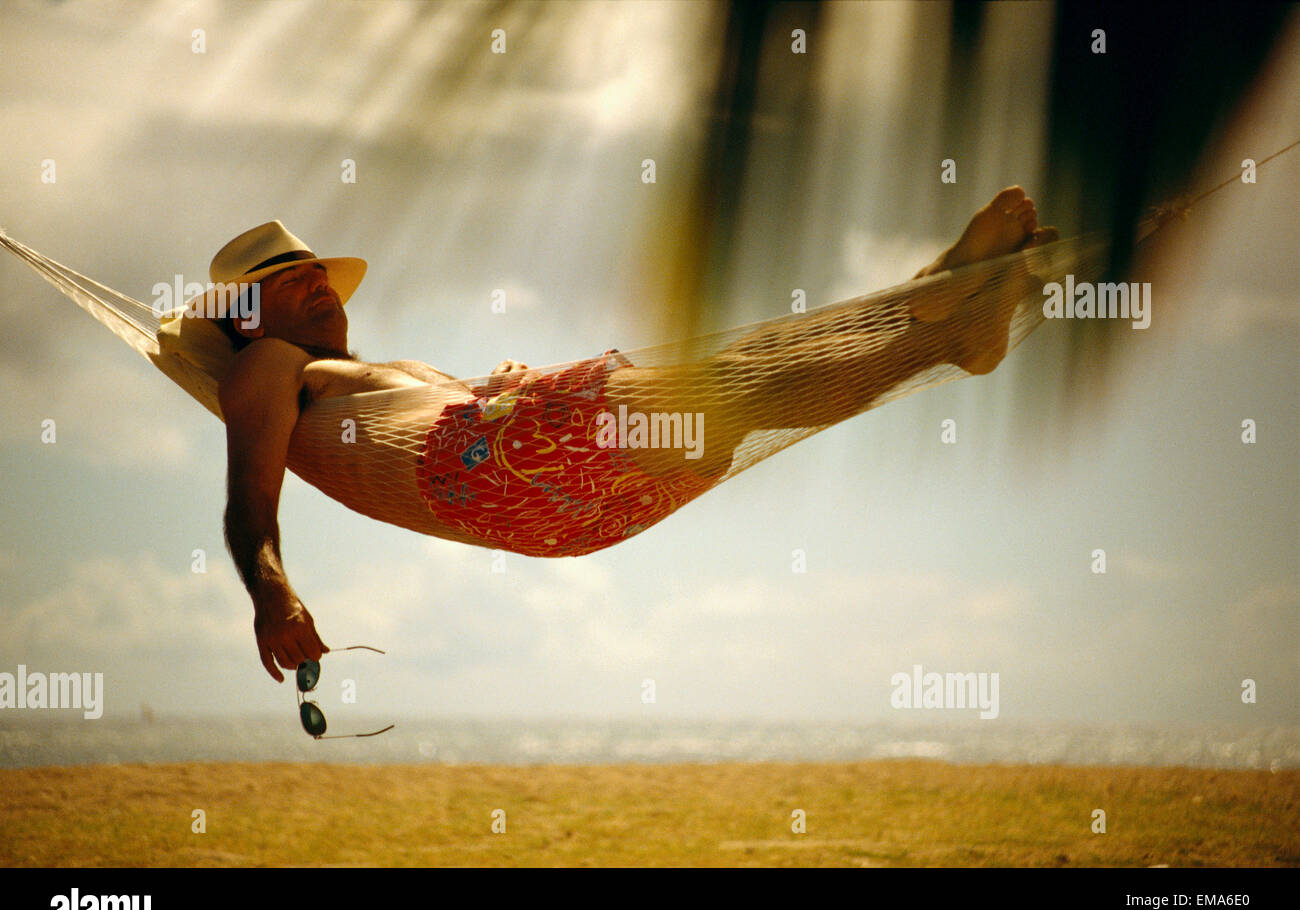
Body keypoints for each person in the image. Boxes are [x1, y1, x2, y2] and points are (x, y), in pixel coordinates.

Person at [200, 187, 1055, 683]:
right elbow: (248, 501)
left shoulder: (354, 377)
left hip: (565, 515)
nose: (317, 282)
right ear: (246, 319)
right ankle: (930, 314)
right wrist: (271, 593)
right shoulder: (268, 365)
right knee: (736, 384)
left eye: (316, 270)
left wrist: (491, 386)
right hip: (514, 459)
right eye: (289, 280)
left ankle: (936, 327)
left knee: (750, 400)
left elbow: (421, 423)